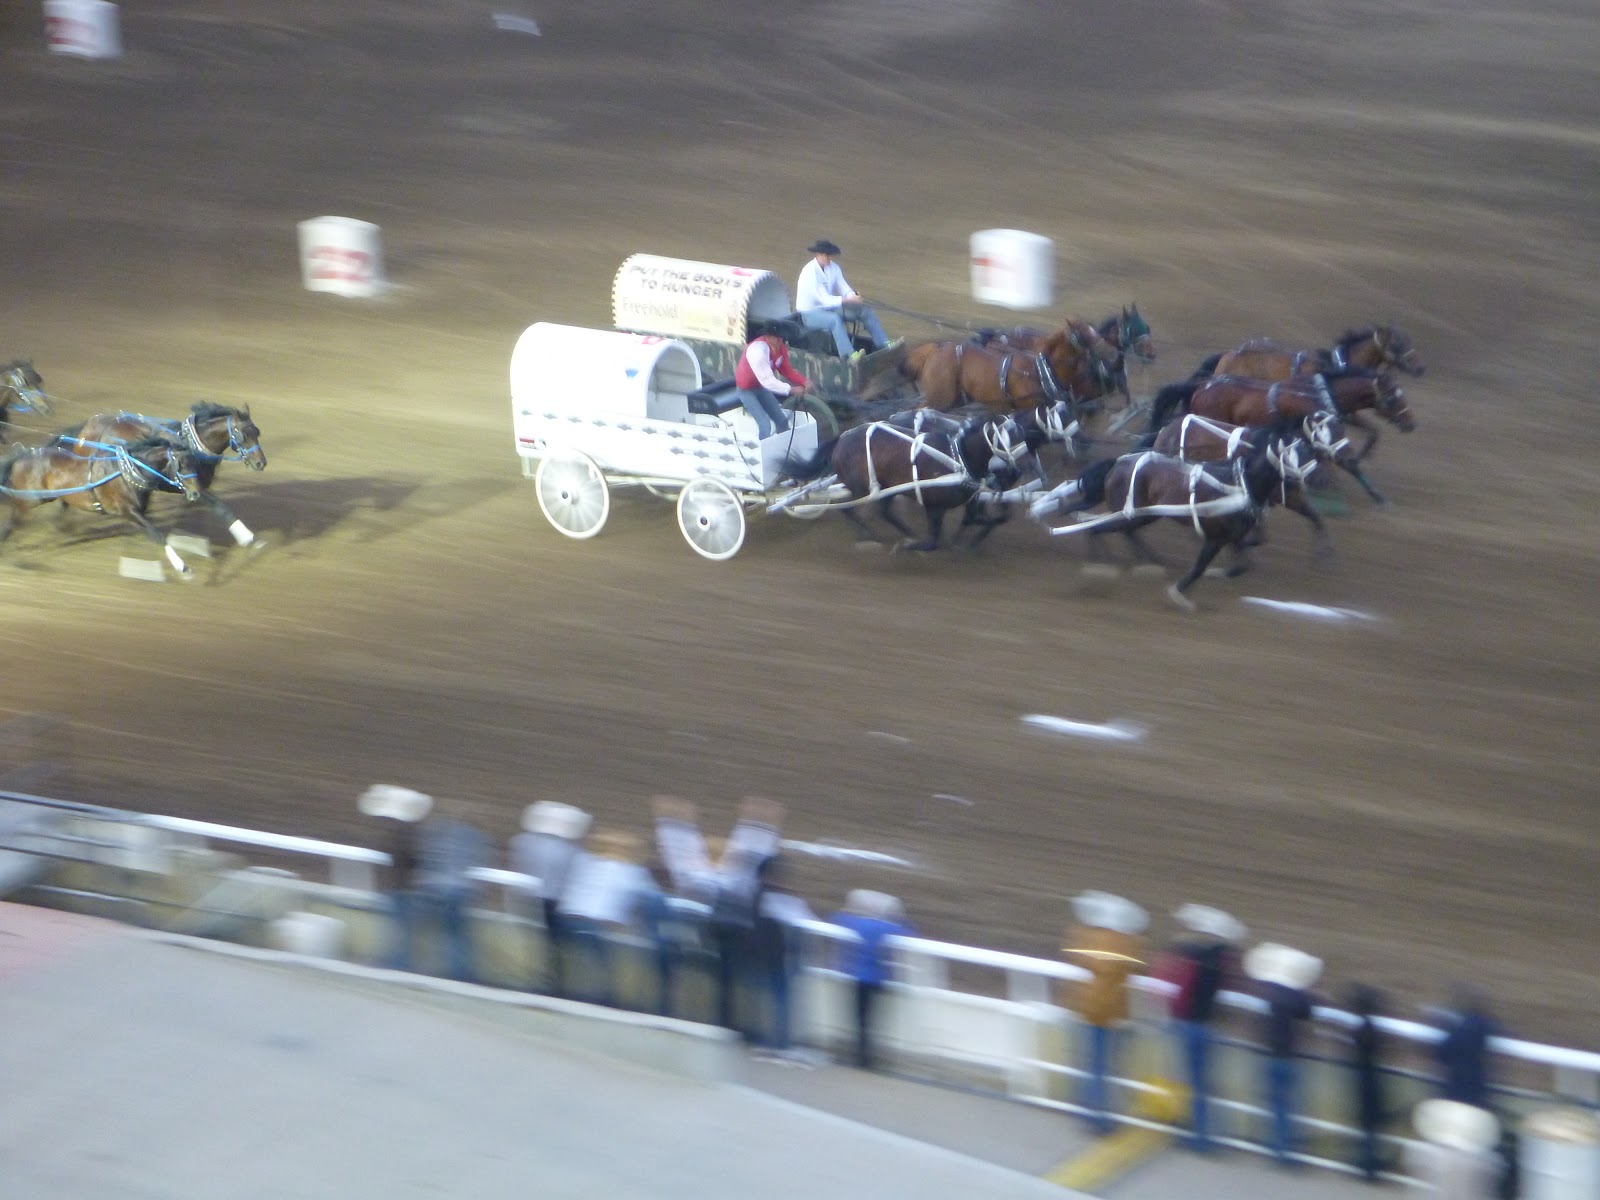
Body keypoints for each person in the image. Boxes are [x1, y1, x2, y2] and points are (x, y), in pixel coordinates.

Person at [1157, 903, 1245, 1151]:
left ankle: (1198, 1136)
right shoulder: (1224, 960)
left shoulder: (1195, 958)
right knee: (1206, 1084)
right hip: (1209, 1026)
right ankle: (1211, 1134)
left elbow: (1181, 994)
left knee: (1192, 1082)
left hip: (1189, 1024)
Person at [1060, 890, 1149, 1135]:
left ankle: (1091, 1115)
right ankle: (1099, 1117)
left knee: (1092, 1065)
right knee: (1102, 1067)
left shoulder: (1093, 937)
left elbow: (1090, 962)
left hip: (1092, 1009)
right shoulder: (1127, 941)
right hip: (1111, 1011)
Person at [558, 829, 657, 1008]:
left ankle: (579, 991)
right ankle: (604, 996)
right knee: (607, 959)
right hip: (596, 923)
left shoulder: (584, 860)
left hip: (570, 918)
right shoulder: (631, 872)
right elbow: (649, 897)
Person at [1244, 941, 1323, 1165]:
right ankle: (1287, 1152)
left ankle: (1275, 1148)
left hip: (1268, 1054)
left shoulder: (1267, 992)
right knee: (1290, 1106)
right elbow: (1308, 1012)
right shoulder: (1296, 997)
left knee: (1272, 1103)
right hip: (1288, 1056)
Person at [509, 800, 592, 996]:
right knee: (556, 943)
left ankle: (539, 978)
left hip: (530, 897)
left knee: (536, 941)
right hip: (559, 901)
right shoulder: (573, 850)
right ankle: (555, 982)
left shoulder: (524, 842)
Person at [829, 889, 912, 1069]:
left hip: (857, 977)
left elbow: (836, 919)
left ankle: (861, 1057)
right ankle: (868, 1057)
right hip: (879, 978)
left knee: (859, 1019)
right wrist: (899, 918)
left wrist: (849, 909)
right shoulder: (887, 928)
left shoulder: (856, 923)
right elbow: (909, 932)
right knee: (872, 1020)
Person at [358, 783, 431, 971]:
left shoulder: (402, 836)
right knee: (400, 927)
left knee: (398, 927)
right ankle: (399, 961)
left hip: (401, 889)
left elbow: (402, 859)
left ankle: (398, 962)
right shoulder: (412, 834)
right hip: (405, 889)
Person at [795, 239, 891, 360]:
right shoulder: (809, 273)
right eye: (827, 255)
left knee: (864, 310)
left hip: (829, 308)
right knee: (834, 320)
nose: (830, 258)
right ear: (818, 254)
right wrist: (847, 300)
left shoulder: (834, 268)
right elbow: (823, 299)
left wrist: (853, 296)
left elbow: (844, 287)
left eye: (830, 255)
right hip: (809, 314)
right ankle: (849, 355)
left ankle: (883, 343)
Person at [1346, 984, 1390, 1181]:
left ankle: (1366, 1164)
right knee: (1371, 1125)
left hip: (1362, 1078)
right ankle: (1369, 1167)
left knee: (1366, 1124)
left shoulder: (1360, 1029)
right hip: (1370, 1079)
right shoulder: (1370, 1029)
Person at [1430, 985, 1500, 1108]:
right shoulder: (1484, 1023)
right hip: (1477, 1083)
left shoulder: (1458, 1028)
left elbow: (1443, 1054)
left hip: (1457, 1084)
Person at [733, 333, 806, 440]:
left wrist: (804, 381)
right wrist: (792, 389)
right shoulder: (758, 350)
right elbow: (768, 381)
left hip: (760, 387)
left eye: (781, 338)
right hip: (746, 390)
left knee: (782, 421)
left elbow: (786, 370)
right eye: (776, 338)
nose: (779, 341)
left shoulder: (781, 348)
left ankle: (784, 446)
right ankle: (762, 448)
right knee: (764, 423)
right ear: (768, 337)